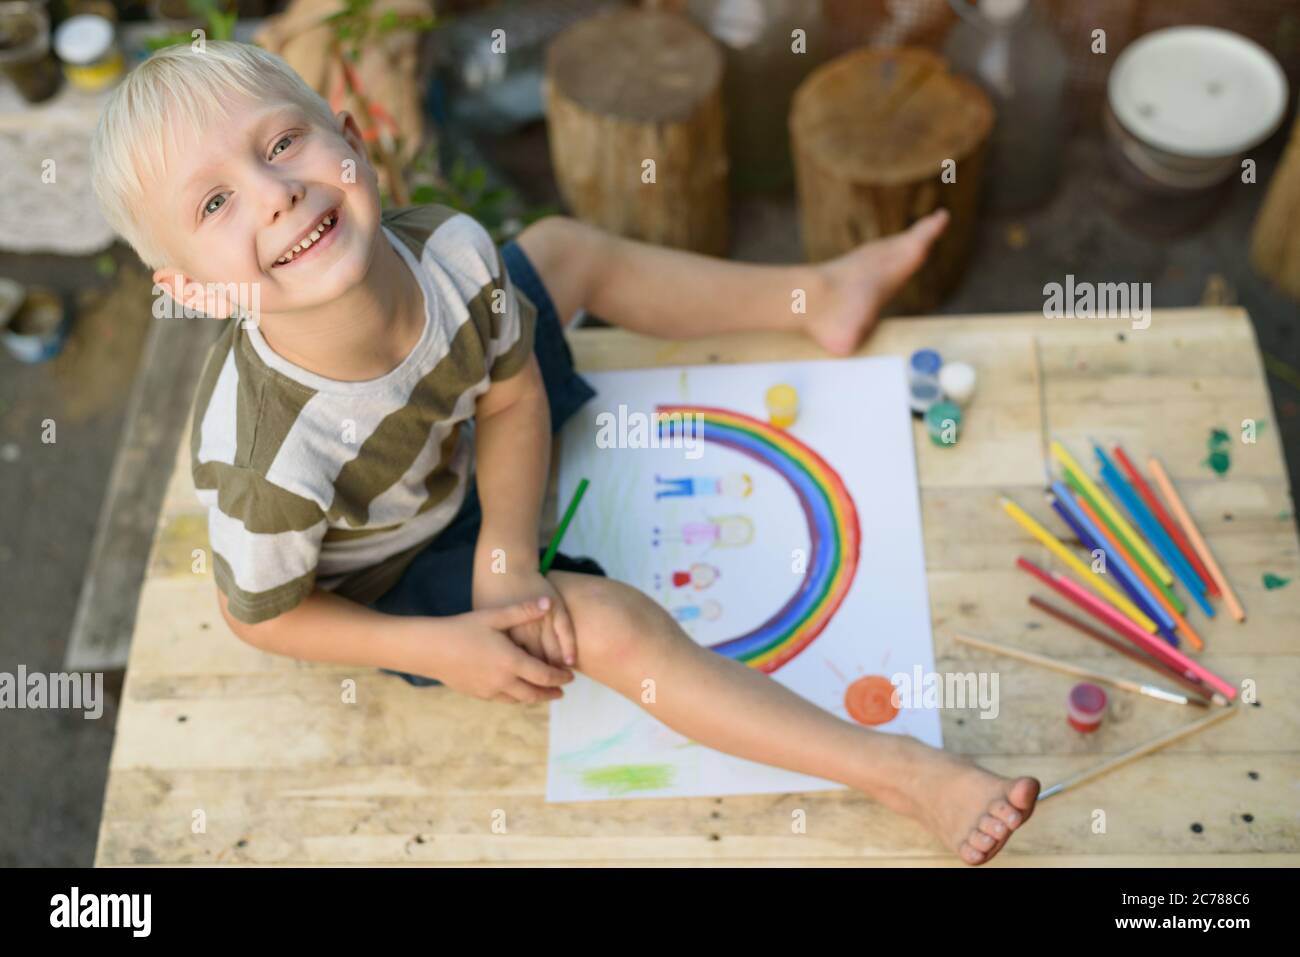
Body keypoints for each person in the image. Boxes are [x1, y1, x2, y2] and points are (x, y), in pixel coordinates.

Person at [90, 41, 1036, 864]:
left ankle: (817, 294)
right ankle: (901, 773)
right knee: (612, 625)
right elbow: (261, 616)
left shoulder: (454, 254)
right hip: (394, 572)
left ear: (350, 139)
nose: (275, 192)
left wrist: (507, 548)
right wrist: (440, 644)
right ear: (195, 292)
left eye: (283, 142)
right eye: (215, 201)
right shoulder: (272, 456)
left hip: (460, 451)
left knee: (562, 249)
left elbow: (509, 393)